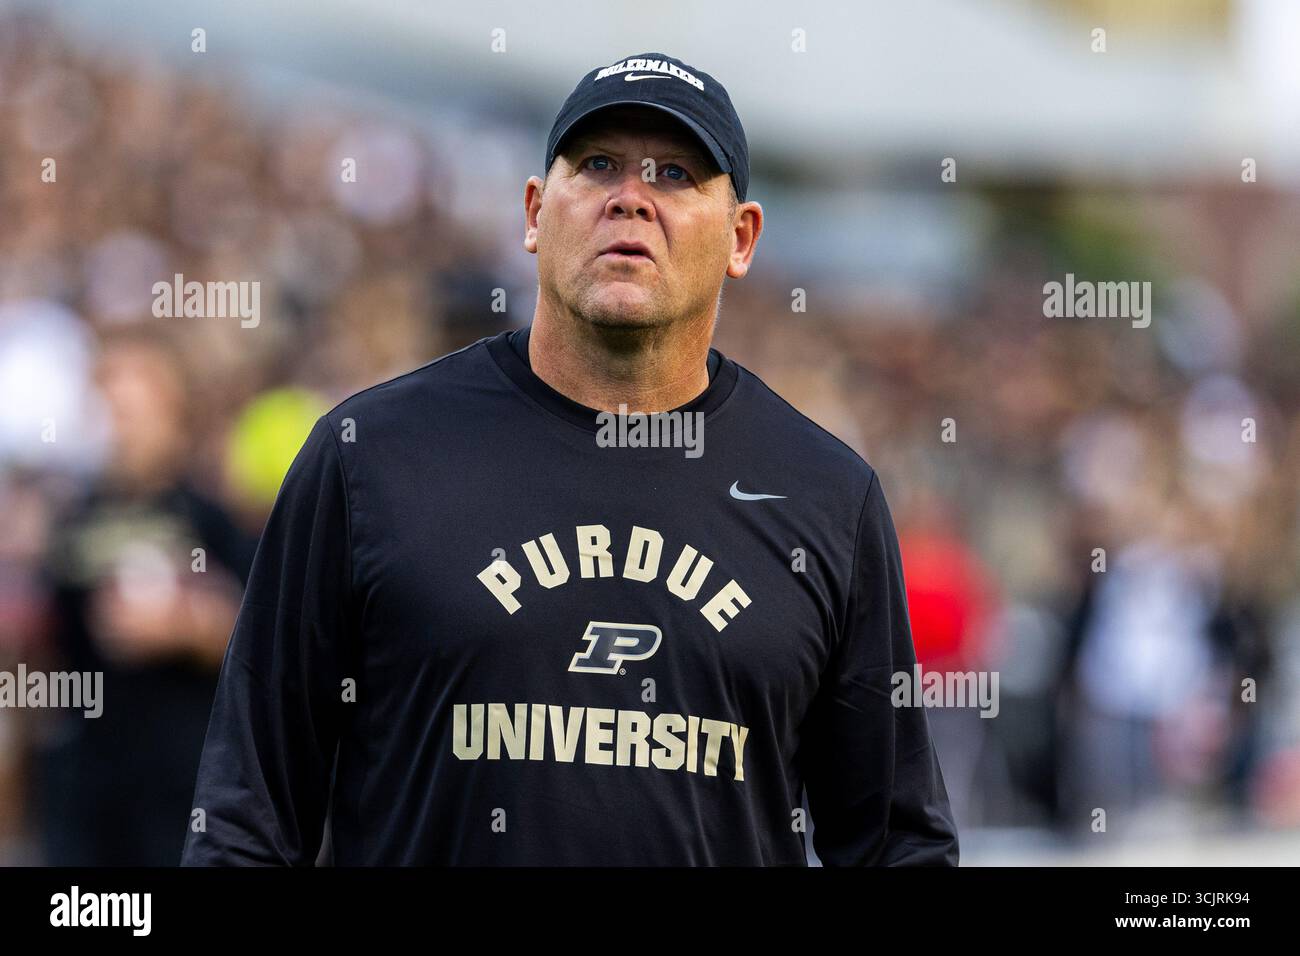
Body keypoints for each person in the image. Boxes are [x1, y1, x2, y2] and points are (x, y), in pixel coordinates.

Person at [182, 52, 958, 866]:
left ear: (742, 237)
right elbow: (247, 820)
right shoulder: (368, 457)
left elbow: (894, 843)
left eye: (676, 173)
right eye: (596, 165)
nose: (631, 196)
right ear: (533, 213)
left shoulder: (826, 494)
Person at [37, 329, 253, 865]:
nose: (120, 427)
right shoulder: (73, 522)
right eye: (111, 408)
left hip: (182, 784)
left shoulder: (211, 518)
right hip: (91, 786)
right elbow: (51, 647)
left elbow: (262, 641)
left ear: (173, 413)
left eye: (135, 410)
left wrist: (191, 625)